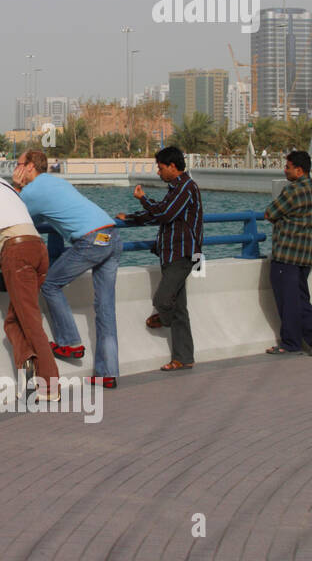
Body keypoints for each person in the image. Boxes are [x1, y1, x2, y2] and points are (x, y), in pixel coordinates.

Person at [12, 149, 123, 387]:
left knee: (50, 283)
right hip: (112, 235)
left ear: (30, 167)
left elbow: (13, 213)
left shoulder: (32, 190)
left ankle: (70, 342)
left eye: (18, 163)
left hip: (92, 240)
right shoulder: (53, 182)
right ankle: (108, 373)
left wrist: (16, 186)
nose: (16, 168)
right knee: (105, 309)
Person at [117, 146, 203, 372]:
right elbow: (163, 212)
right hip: (171, 252)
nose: (158, 172)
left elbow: (164, 213)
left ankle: (164, 319)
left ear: (173, 167)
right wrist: (134, 218)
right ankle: (184, 358)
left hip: (182, 253)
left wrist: (143, 199)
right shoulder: (176, 189)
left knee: (164, 300)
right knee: (180, 308)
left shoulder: (186, 187)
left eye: (161, 167)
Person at [263, 150, 312, 357]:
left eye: (288, 167)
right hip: (305, 255)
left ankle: (290, 343)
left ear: (299, 170)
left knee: (288, 301)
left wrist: (280, 219)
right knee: (300, 299)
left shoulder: (292, 190)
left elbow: (270, 213)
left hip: (287, 254)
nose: (285, 171)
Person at [0, 178, 60, 403]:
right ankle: (27, 364)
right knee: (14, 321)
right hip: (38, 247)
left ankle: (50, 386)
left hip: (17, 251)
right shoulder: (5, 185)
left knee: (31, 323)